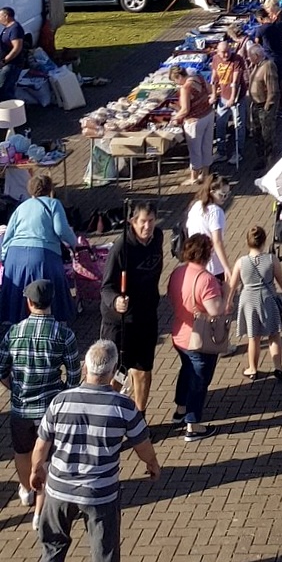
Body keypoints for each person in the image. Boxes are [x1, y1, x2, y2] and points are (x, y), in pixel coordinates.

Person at [31, 339, 159, 561]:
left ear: (85, 368)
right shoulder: (124, 406)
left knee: (52, 548)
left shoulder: (60, 401)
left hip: (59, 488)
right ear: (113, 372)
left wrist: (36, 470)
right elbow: (143, 446)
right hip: (100, 492)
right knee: (104, 553)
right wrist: (152, 464)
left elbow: (41, 446)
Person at [0, 279, 79, 523]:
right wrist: (61, 395)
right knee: (46, 458)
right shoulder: (64, 334)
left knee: (22, 451)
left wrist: (14, 388)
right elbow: (74, 376)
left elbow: (2, 369)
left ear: (29, 302)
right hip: (50, 409)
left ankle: (27, 490)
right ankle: (40, 511)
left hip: (20, 408)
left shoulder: (14, 333)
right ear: (50, 301)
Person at [99, 201, 163, 415]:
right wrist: (116, 300)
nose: (148, 226)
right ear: (132, 222)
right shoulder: (121, 248)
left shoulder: (158, 237)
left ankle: (139, 416)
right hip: (120, 323)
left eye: (151, 221)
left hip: (146, 318)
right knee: (118, 372)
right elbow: (106, 287)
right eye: (143, 221)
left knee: (143, 369)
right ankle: (108, 415)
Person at [167, 235, 224, 442]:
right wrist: (226, 296)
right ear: (206, 254)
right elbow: (215, 310)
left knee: (186, 371)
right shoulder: (206, 279)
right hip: (199, 340)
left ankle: (180, 410)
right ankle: (193, 425)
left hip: (179, 335)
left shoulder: (177, 272)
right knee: (199, 382)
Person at [0, 176, 78, 327]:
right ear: (50, 189)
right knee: (45, 291)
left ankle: (16, 328)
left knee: (17, 296)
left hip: (15, 255)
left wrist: (4, 257)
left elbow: (8, 235)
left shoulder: (21, 207)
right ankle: (50, 326)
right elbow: (61, 230)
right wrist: (74, 243)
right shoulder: (53, 204)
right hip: (42, 254)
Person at [225, 224, 282, 382]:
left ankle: (252, 369)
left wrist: (228, 302)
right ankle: (278, 368)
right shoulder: (271, 259)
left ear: (247, 242)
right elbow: (281, 279)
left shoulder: (241, 262)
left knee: (253, 337)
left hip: (249, 301)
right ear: (264, 241)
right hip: (268, 299)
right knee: (274, 335)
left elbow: (232, 285)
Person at [185, 174, 231, 280]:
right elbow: (217, 242)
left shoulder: (195, 206)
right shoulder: (216, 212)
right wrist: (226, 267)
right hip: (213, 267)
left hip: (195, 263)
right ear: (212, 192)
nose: (225, 198)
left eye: (227, 194)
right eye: (222, 195)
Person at [177, 66, 214, 186]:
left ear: (179, 77)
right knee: (207, 146)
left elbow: (185, 110)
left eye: (175, 81)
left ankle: (194, 177)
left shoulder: (185, 88)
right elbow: (210, 89)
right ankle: (206, 173)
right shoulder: (199, 78)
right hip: (208, 114)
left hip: (195, 121)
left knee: (195, 150)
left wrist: (175, 118)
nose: (176, 84)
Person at [212, 37, 247, 166]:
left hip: (237, 97)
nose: (226, 55)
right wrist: (213, 94)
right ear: (218, 52)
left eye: (228, 51)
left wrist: (233, 98)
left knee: (239, 125)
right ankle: (221, 152)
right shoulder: (216, 59)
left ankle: (238, 152)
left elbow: (235, 81)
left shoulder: (237, 59)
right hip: (223, 96)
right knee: (220, 123)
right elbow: (214, 78)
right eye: (223, 52)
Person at [247, 49, 281, 163]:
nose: (248, 58)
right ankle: (261, 158)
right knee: (257, 133)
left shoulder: (268, 66)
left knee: (267, 134)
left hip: (264, 106)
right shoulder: (256, 66)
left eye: (250, 56)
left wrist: (268, 105)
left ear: (256, 56)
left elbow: (273, 88)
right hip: (256, 105)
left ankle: (270, 161)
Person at [0, 5, 28, 98]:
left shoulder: (15, 28)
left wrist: (4, 61)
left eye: (0, 16)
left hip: (12, 64)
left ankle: (11, 106)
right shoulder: (7, 28)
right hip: (6, 64)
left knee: (6, 89)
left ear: (6, 16)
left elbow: (17, 48)